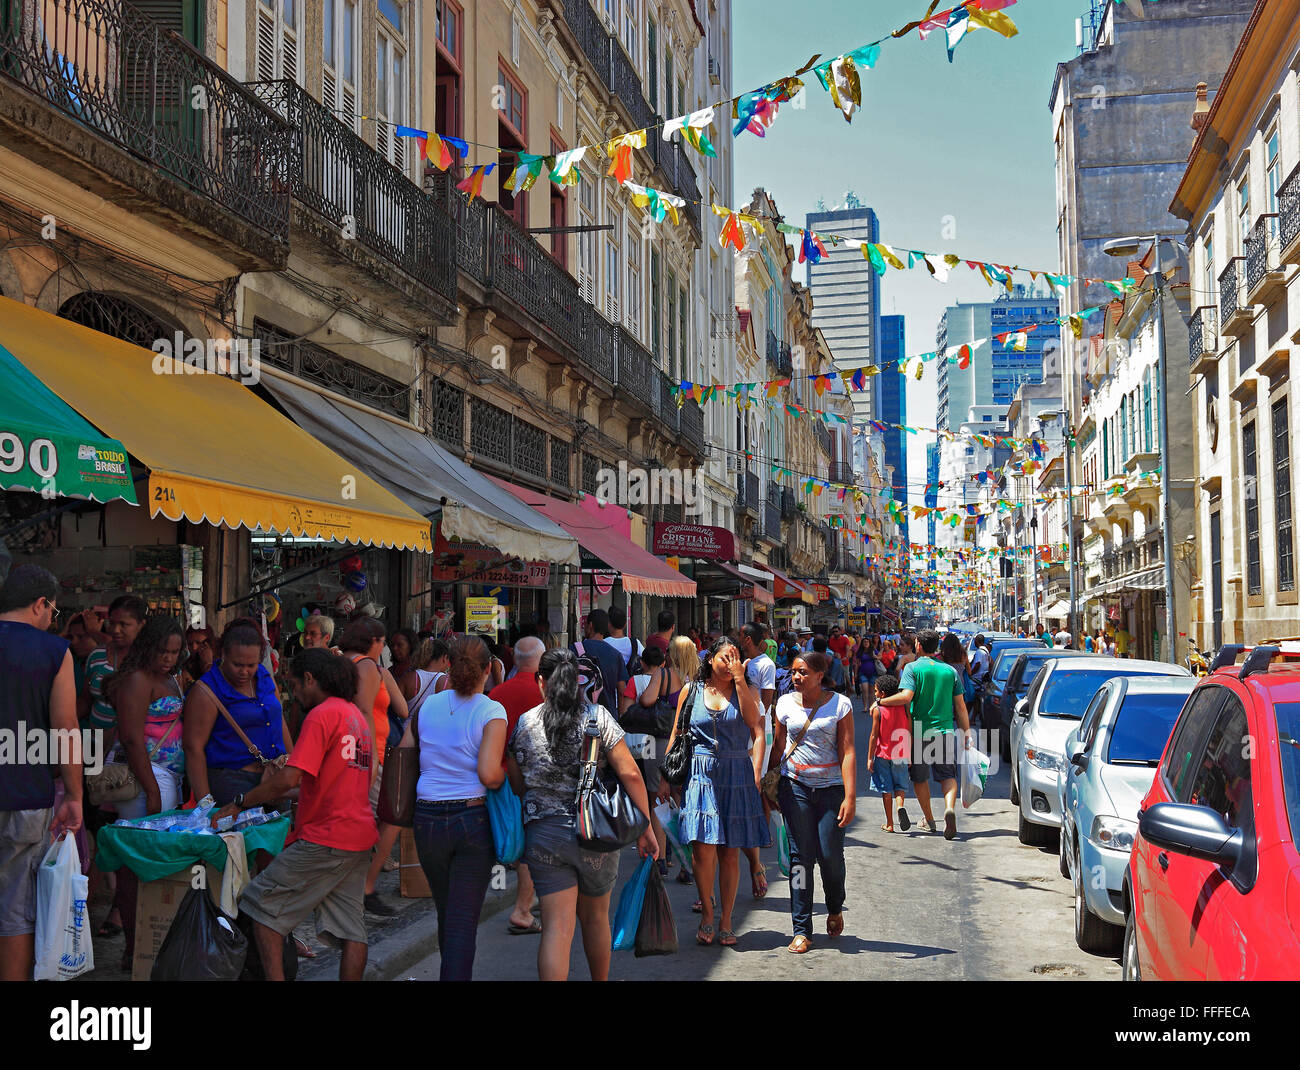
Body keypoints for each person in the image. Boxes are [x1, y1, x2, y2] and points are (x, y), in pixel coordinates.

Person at [215, 649, 375, 981]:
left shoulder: (321, 715)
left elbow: (289, 777)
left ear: (310, 679)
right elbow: (325, 783)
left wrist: (242, 801)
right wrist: (272, 796)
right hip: (358, 836)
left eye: (294, 685)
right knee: (351, 929)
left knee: (260, 907)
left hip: (326, 837)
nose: (293, 694)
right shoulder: (356, 717)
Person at [508, 648, 657, 981]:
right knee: (595, 918)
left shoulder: (525, 721)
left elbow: (517, 782)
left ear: (541, 681)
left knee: (556, 929)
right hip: (595, 834)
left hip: (544, 834)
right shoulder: (597, 717)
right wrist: (644, 826)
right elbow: (631, 774)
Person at [400, 637, 507, 981]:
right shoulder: (491, 710)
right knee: (462, 920)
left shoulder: (428, 706)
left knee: (447, 912)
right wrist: (509, 774)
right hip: (470, 820)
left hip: (427, 818)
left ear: (448, 664)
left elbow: (404, 751)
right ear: (488, 669)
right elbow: (490, 775)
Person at [0, 565, 82, 982]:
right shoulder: (54, 652)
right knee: (15, 912)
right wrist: (74, 796)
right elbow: (65, 729)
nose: (53, 617)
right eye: (54, 608)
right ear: (40, 604)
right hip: (24, 798)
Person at [658, 636, 768, 947]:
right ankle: (707, 912)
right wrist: (666, 776)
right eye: (725, 657)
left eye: (736, 657)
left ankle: (726, 919)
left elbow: (753, 725)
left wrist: (739, 680)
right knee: (703, 850)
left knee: (729, 852)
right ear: (710, 660)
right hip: (700, 774)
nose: (731, 662)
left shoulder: (746, 691)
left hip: (736, 773)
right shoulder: (690, 691)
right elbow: (677, 732)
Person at [768, 650, 855, 953]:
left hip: (832, 790)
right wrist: (769, 787)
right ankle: (802, 929)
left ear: (820, 675)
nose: (796, 678)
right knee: (800, 858)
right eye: (793, 672)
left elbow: (847, 751)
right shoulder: (783, 704)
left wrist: (851, 796)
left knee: (830, 855)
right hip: (795, 788)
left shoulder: (840, 705)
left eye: (803, 672)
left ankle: (834, 906)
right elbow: (778, 747)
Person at [337, 618, 410, 915]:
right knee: (392, 815)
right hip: (367, 751)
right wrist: (372, 757)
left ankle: (347, 885)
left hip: (343, 750)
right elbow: (396, 709)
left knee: (352, 819)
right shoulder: (369, 667)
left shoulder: (339, 663)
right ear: (375, 642)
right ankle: (365, 886)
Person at [182, 622, 292, 807]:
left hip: (275, 778)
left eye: (251, 665)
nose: (245, 671)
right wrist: (205, 804)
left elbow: (278, 720)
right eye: (237, 664)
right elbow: (193, 748)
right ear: (223, 654)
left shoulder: (264, 676)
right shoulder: (206, 690)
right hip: (232, 782)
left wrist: (293, 766)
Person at [877, 629, 971, 841]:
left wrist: (881, 702)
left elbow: (906, 696)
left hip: (919, 730)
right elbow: (961, 707)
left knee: (920, 778)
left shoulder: (912, 668)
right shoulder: (949, 671)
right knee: (948, 775)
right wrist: (966, 734)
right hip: (945, 730)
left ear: (918, 645)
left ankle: (929, 820)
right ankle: (949, 809)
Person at [488, 636, 545, 935]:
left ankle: (528, 898)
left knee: (509, 839)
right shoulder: (541, 693)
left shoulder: (497, 692)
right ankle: (522, 909)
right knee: (529, 845)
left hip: (496, 776)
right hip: (529, 779)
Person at [79, 594, 148, 746]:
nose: (115, 630)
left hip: (136, 748)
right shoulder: (97, 655)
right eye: (112, 623)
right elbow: (85, 699)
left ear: (142, 625)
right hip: (95, 745)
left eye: (124, 624)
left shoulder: (149, 661)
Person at [738, 622, 775, 900]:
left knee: (757, 784)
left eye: (741, 636)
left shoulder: (764, 665)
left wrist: (757, 715)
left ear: (748, 638)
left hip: (759, 728)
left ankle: (763, 833)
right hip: (743, 732)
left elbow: (766, 698)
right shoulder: (744, 663)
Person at [867, 673, 910, 834]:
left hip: (883, 754)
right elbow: (909, 730)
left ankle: (890, 823)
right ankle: (900, 806)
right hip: (901, 752)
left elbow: (873, 735)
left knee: (886, 789)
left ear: (883, 694)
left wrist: (870, 757)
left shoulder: (878, 709)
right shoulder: (904, 707)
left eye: (876, 691)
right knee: (900, 786)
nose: (875, 694)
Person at [573, 609, 628, 719]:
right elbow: (622, 691)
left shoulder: (575, 649)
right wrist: (620, 718)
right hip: (608, 716)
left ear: (591, 625)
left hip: (580, 715)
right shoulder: (616, 654)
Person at [410, 637, 451, 713]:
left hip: (408, 724)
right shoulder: (446, 681)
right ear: (445, 658)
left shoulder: (410, 677)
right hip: (433, 724)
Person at [604, 604, 642, 671]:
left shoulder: (603, 643)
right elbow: (647, 658)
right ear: (625, 624)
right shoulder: (635, 643)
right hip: (629, 680)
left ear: (609, 624)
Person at [857, 634, 880, 710]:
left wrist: (875, 657)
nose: (866, 643)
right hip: (863, 673)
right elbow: (857, 664)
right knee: (864, 689)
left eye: (867, 642)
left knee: (871, 692)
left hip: (873, 673)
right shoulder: (860, 652)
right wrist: (855, 673)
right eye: (864, 642)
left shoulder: (873, 650)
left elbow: (880, 657)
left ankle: (871, 706)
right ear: (862, 644)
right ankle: (865, 706)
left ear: (869, 643)